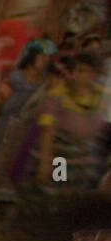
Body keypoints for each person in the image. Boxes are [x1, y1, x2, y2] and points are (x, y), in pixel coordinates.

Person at [0, 39, 53, 193]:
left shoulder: (44, 84)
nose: (45, 61)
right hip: (5, 125)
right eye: (41, 57)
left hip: (25, 129)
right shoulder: (15, 78)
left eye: (47, 58)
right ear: (32, 57)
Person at [35, 52, 106, 197]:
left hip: (86, 159)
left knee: (76, 201)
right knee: (57, 196)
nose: (78, 75)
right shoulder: (58, 95)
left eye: (85, 71)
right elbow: (47, 131)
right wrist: (45, 161)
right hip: (61, 156)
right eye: (78, 70)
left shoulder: (101, 96)